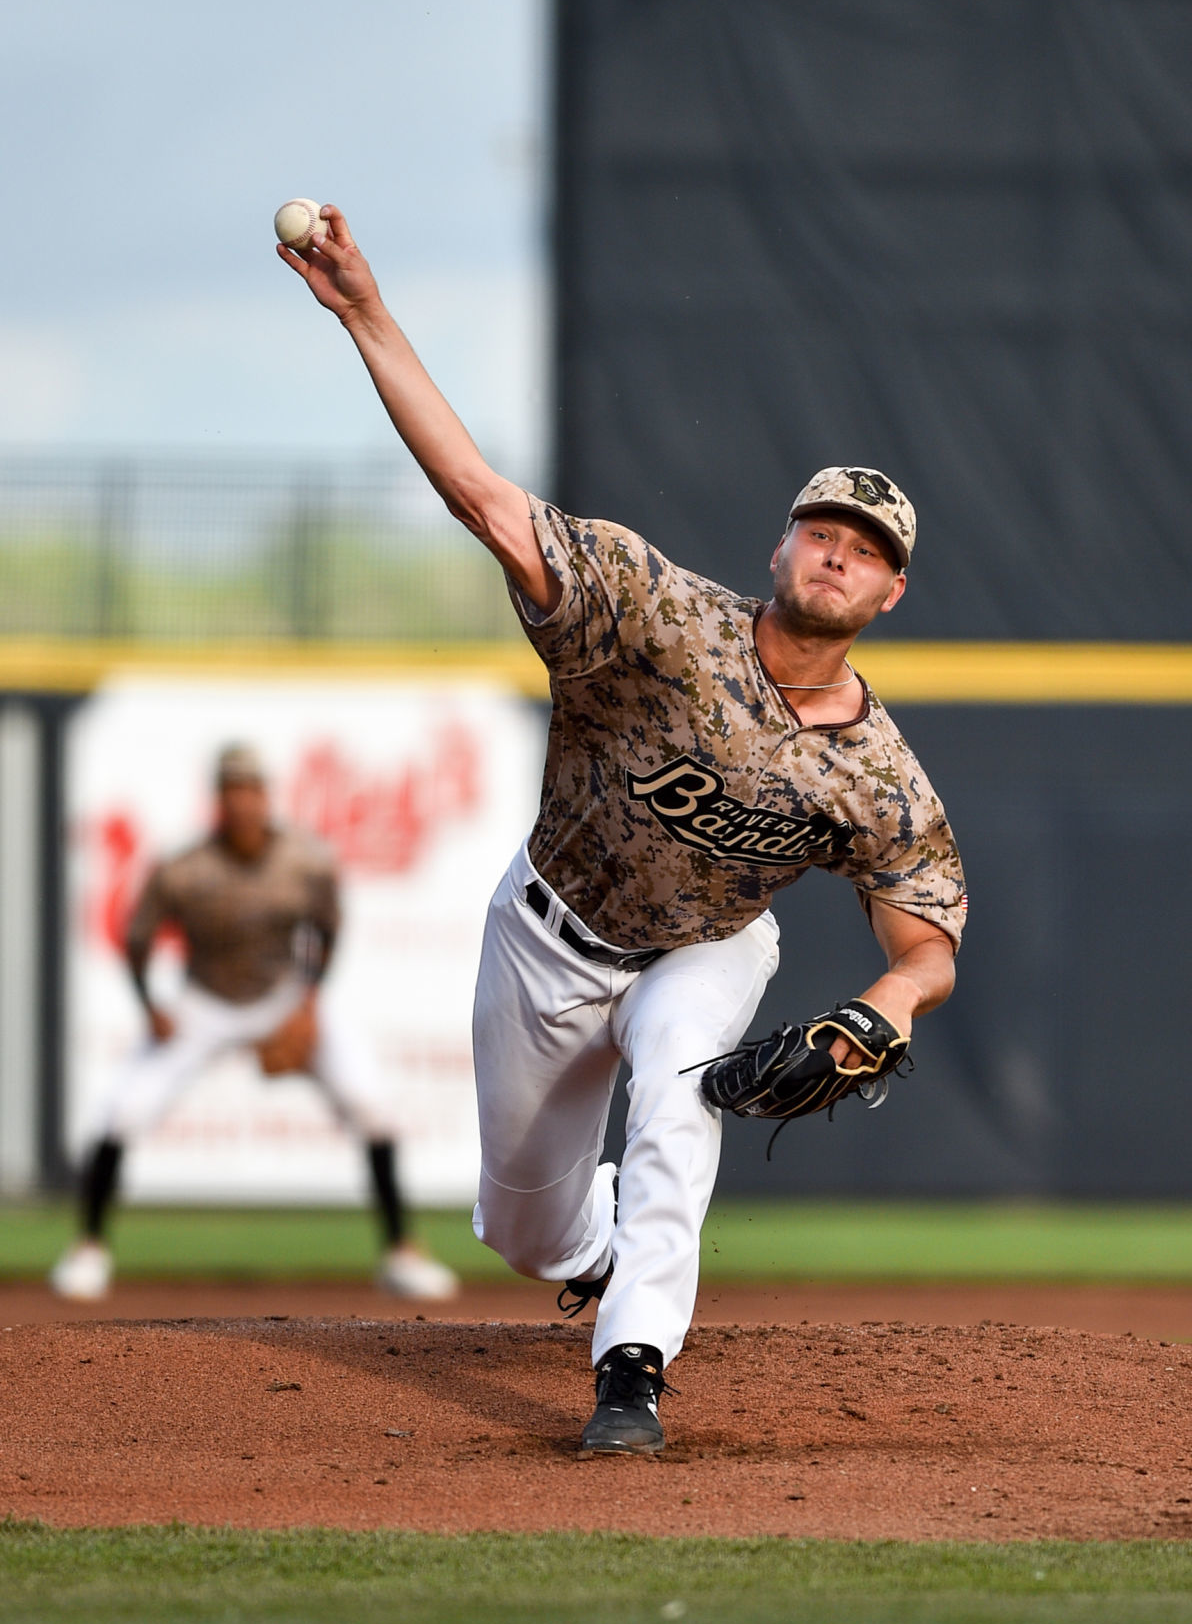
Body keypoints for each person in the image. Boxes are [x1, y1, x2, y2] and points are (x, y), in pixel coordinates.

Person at [279, 207, 965, 1453]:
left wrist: (887, 1008)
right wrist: (365, 315)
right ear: (782, 541)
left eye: (866, 550)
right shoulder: (654, 614)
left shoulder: (879, 771)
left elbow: (927, 943)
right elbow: (486, 501)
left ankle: (631, 1370)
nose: (837, 552)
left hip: (705, 947)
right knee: (521, 1230)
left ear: (890, 592)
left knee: (678, 1094)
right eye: (823, 528)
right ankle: (595, 1252)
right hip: (546, 932)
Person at [50, 743, 458, 1304]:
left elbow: (327, 929)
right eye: (231, 791)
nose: (242, 802)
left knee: (371, 1106)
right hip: (205, 1002)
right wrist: (151, 1006)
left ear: (266, 796)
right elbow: (138, 937)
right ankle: (88, 1249)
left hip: (282, 994)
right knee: (122, 1111)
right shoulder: (184, 868)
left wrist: (310, 1001)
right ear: (217, 800)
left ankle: (402, 1251)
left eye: (251, 790)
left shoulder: (304, 860)